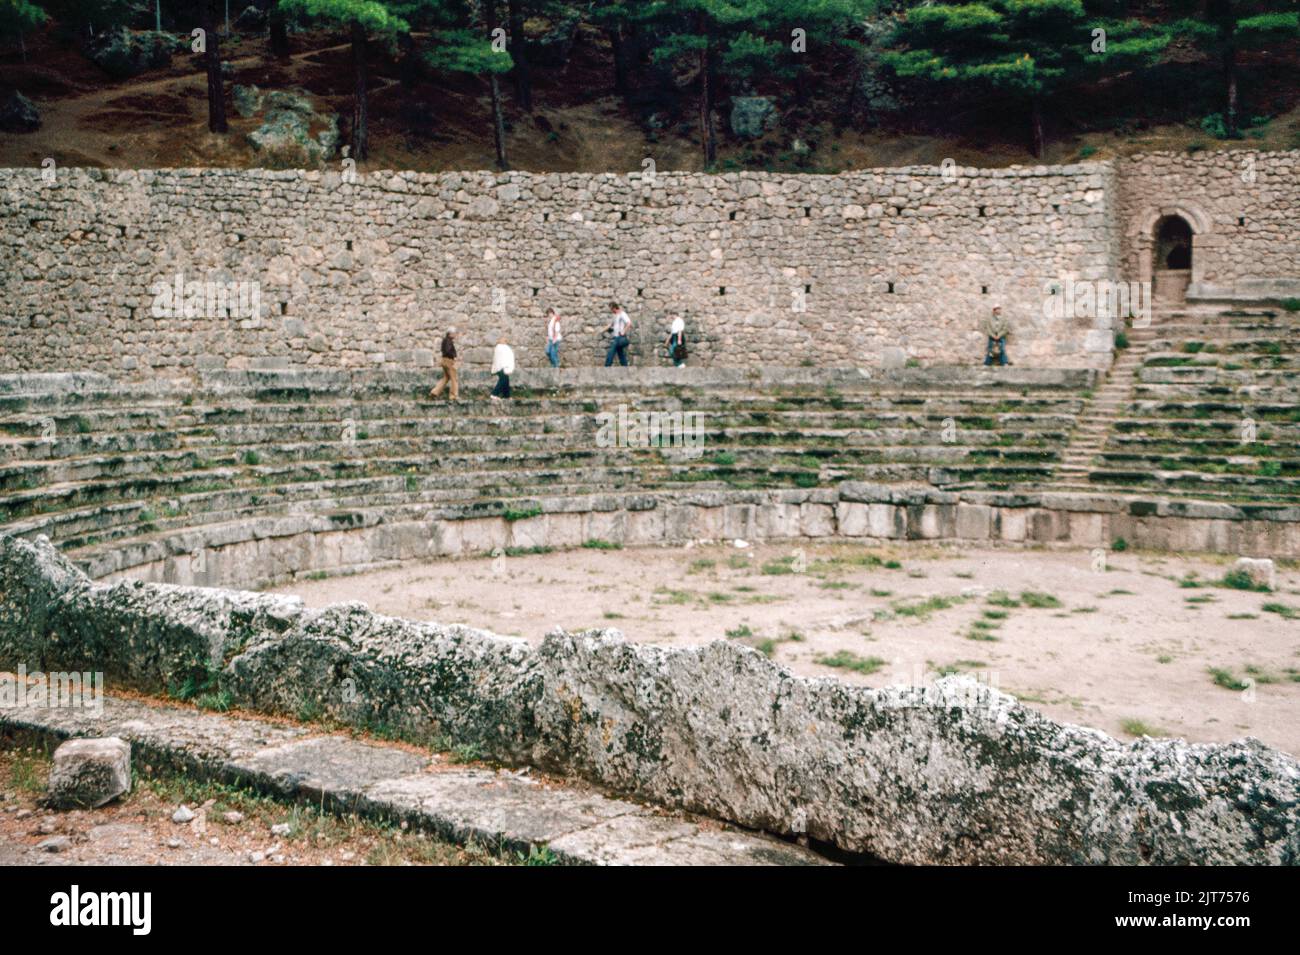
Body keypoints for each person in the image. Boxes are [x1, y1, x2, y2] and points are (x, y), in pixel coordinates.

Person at [429, 327, 459, 400]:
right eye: (454, 333)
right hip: (449, 361)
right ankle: (453, 396)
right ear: (450, 333)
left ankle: (434, 392)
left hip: (444, 360)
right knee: (454, 378)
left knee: (446, 377)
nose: (455, 335)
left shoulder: (445, 340)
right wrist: (454, 356)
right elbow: (448, 351)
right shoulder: (448, 341)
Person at [604, 302, 632, 367]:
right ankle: (625, 367)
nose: (611, 311)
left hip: (620, 337)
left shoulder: (622, 314)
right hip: (616, 337)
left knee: (612, 350)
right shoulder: (616, 316)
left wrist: (623, 332)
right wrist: (601, 331)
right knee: (620, 353)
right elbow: (610, 325)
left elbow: (629, 323)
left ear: (614, 308)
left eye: (611, 309)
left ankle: (607, 366)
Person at [490, 336, 515, 401]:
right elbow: (503, 358)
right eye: (504, 340)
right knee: (503, 380)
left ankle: (506, 396)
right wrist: (506, 366)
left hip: (501, 367)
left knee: (506, 380)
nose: (505, 341)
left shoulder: (500, 348)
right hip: (502, 367)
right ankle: (494, 394)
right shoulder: (500, 348)